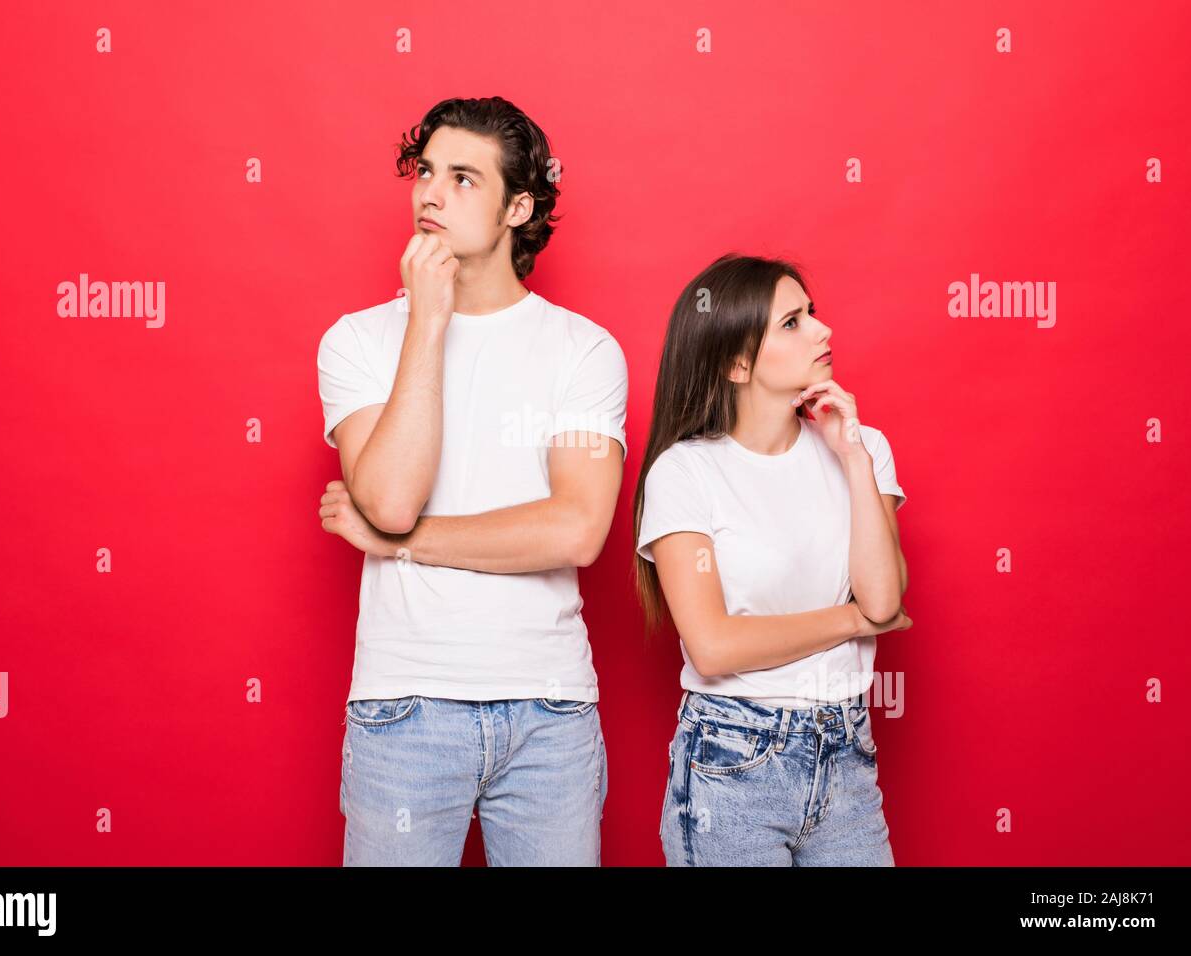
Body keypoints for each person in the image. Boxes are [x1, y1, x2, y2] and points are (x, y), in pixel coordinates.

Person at [315, 96, 628, 866]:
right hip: (404, 707)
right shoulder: (357, 340)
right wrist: (428, 319)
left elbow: (576, 530)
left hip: (549, 712)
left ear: (518, 207)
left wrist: (405, 543)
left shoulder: (583, 351)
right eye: (425, 172)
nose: (429, 194)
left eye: (462, 179)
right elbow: (389, 496)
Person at [633, 253, 912, 866]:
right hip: (733, 762)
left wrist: (854, 459)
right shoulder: (685, 472)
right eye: (792, 323)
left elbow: (885, 599)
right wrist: (851, 621)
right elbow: (713, 647)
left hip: (846, 753)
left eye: (812, 314)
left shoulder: (861, 448)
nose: (822, 330)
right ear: (737, 362)